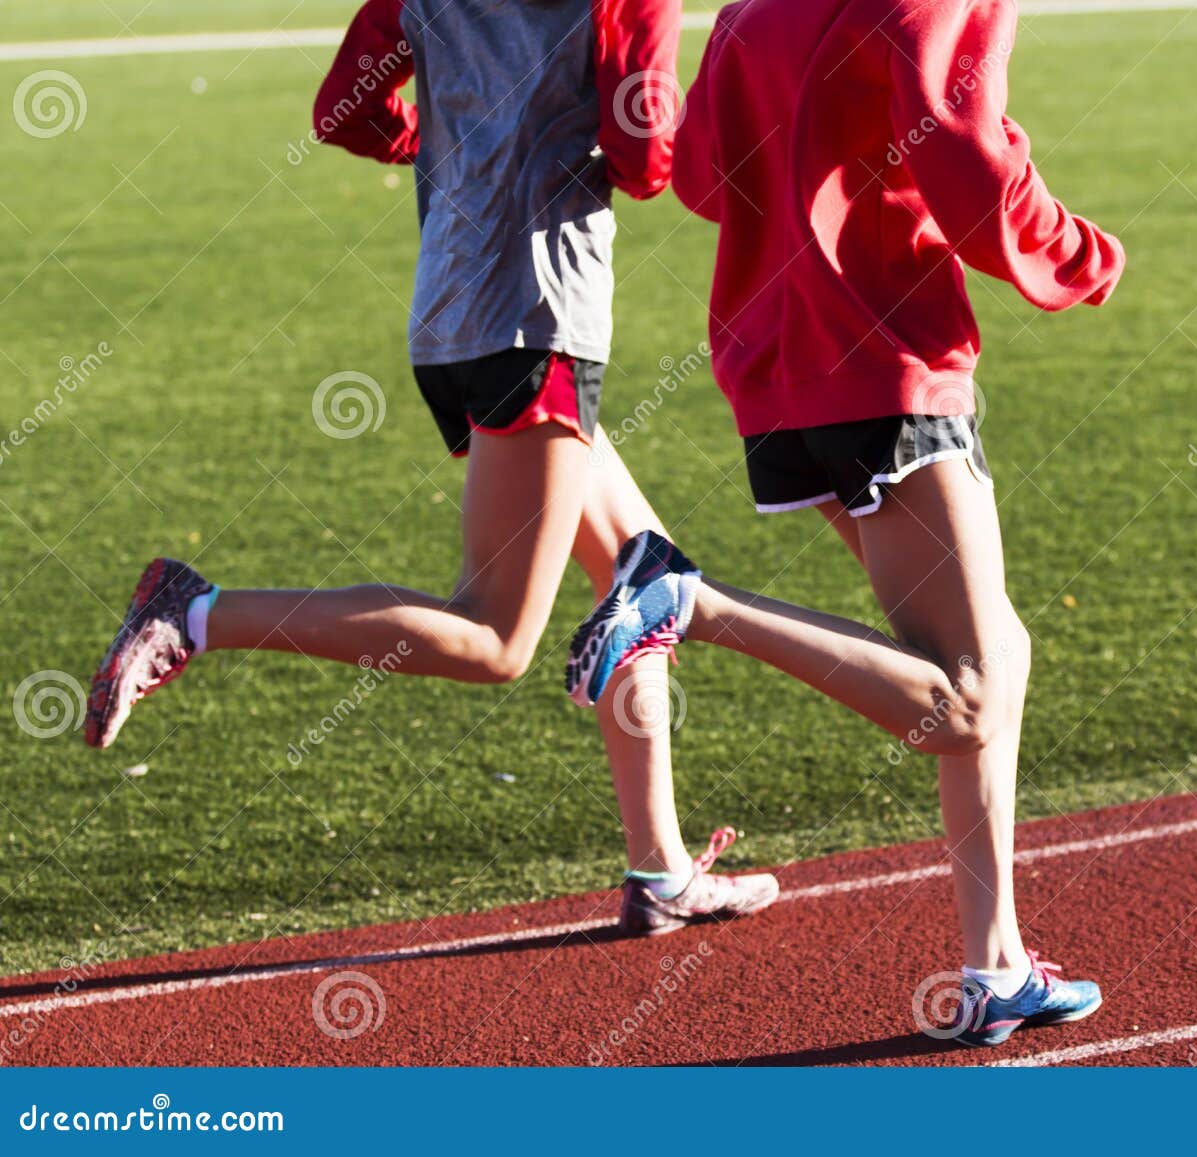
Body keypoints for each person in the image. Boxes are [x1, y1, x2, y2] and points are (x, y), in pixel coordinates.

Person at [83, 0, 776, 937]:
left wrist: (445, 150)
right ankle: (196, 612)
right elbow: (647, 161)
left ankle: (659, 869)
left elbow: (345, 110)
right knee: (493, 637)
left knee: (643, 571)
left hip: (450, 316)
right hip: (541, 318)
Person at [567, 0, 1125, 1045]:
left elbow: (699, 177)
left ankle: (995, 961)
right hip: (884, 364)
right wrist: (1074, 252)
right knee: (965, 694)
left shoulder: (752, 10)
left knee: (995, 647)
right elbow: (961, 155)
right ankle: (686, 601)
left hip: (777, 375)